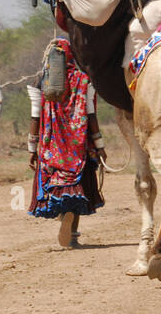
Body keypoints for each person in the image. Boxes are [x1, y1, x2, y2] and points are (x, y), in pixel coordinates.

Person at [27, 39, 106, 248]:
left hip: (50, 147)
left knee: (56, 185)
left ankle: (63, 215)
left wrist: (31, 149)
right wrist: (100, 145)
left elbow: (35, 117)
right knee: (77, 187)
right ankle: (72, 233)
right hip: (78, 147)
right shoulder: (83, 80)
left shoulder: (40, 81)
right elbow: (91, 115)